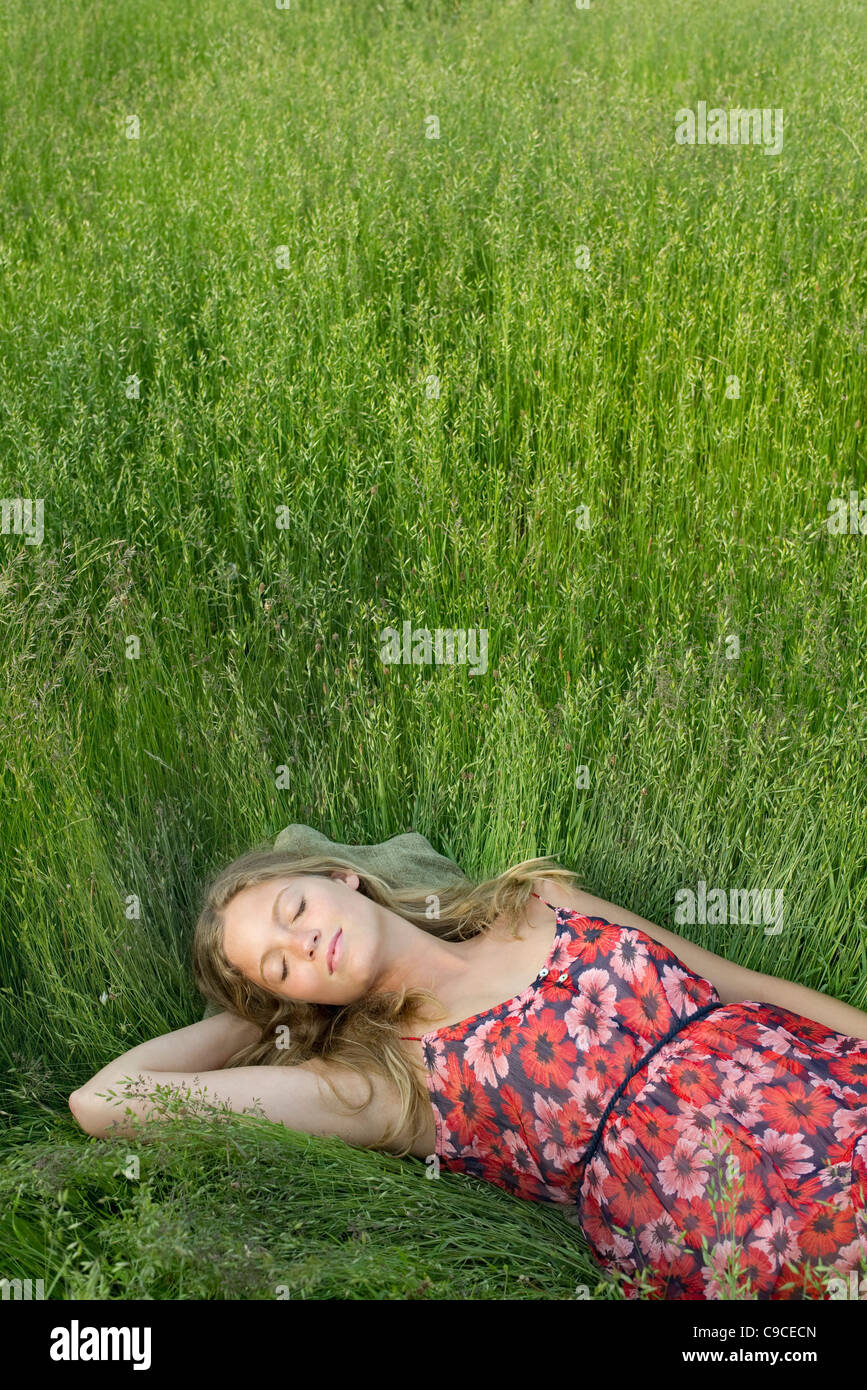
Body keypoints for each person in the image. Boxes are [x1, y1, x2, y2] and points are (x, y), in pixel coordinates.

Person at [69, 847, 867, 1300]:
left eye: (296, 911)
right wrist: (269, 1009)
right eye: (280, 963)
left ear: (340, 874)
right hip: (745, 1223)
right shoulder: (389, 1083)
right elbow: (103, 1103)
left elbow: (737, 984)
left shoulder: (537, 902)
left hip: (832, 1088)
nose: (305, 943)